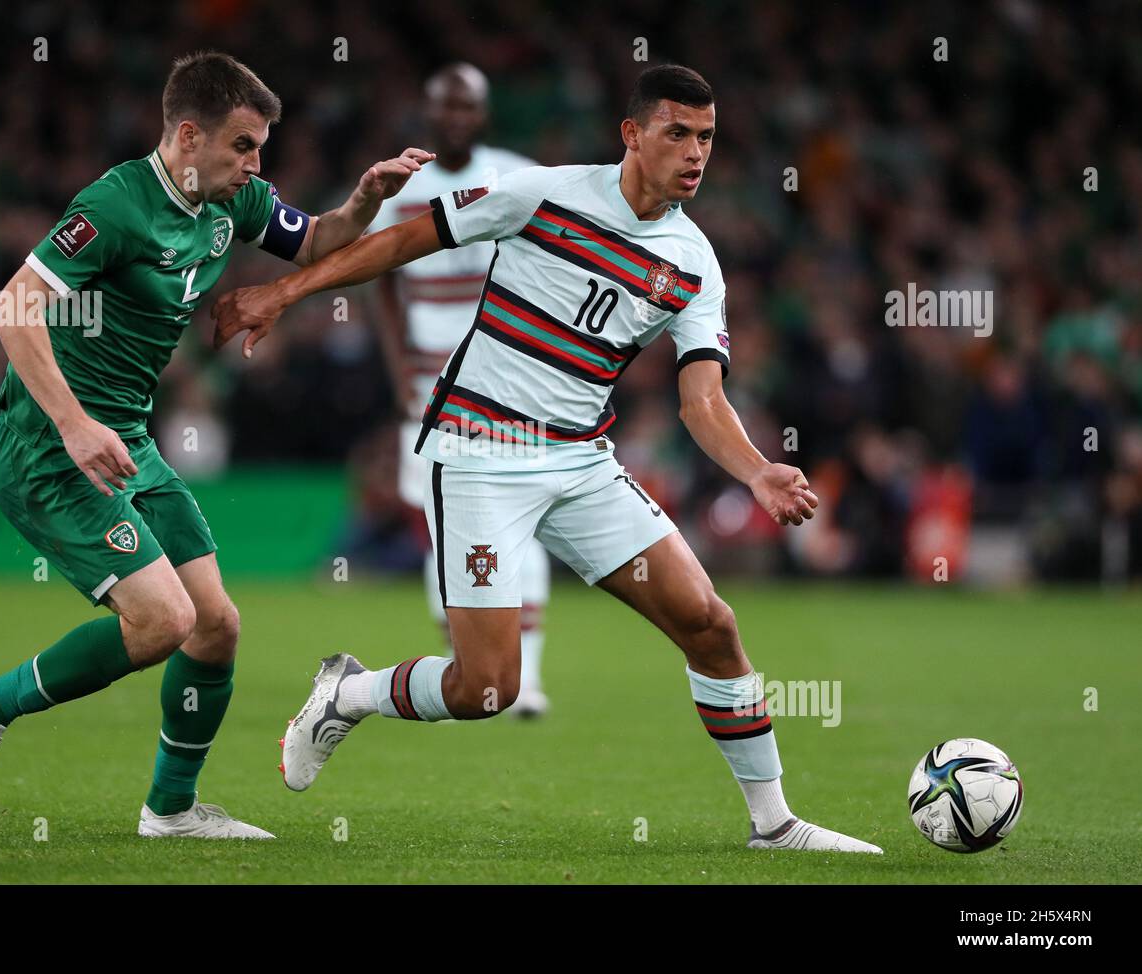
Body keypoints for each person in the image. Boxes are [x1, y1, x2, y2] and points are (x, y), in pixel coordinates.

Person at [213, 64, 881, 853]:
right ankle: (349, 693)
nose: (695, 152)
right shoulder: (541, 193)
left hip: (579, 463)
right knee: (487, 688)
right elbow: (402, 239)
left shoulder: (695, 262)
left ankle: (772, 825)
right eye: (677, 133)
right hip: (480, 452)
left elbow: (700, 400)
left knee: (710, 623)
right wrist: (285, 295)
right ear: (631, 135)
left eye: (706, 137)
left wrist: (758, 470)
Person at [0, 51, 433, 838]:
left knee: (216, 624)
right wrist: (73, 422)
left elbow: (322, 241)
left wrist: (366, 196)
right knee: (162, 621)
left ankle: (171, 810)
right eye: (242, 146)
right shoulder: (117, 205)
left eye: (260, 147)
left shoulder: (233, 202)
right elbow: (11, 308)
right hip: (49, 446)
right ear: (188, 136)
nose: (255, 165)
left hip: (125, 441)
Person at [370, 63, 550, 716]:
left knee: (522, 522)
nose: (455, 118)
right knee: (440, 528)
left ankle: (524, 676)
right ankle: (467, 660)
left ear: (484, 112)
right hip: (427, 387)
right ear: (428, 110)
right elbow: (382, 283)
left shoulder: (515, 176)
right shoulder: (400, 187)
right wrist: (399, 378)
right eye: (444, 106)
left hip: (507, 384)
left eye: (467, 107)